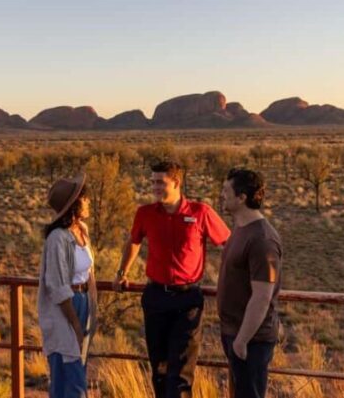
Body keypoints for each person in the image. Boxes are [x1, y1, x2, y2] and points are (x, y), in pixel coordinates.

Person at [114, 161, 230, 398]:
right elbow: (134, 241)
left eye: (160, 182)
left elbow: (229, 245)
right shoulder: (145, 213)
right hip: (155, 297)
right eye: (153, 182)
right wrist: (121, 273)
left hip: (187, 300)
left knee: (181, 373)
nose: (155, 187)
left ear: (176, 182)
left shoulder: (200, 212)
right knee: (159, 370)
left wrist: (232, 280)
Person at [218, 168, 282, 398]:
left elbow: (262, 296)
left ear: (242, 197)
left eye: (226, 191)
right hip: (236, 334)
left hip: (251, 340)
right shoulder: (241, 229)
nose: (222, 195)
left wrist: (241, 341)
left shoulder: (262, 239)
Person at [38, 174, 98, 398]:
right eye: (84, 197)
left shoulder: (82, 230)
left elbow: (87, 272)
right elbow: (57, 286)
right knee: (70, 375)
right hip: (65, 309)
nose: (88, 201)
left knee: (77, 367)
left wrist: (92, 307)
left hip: (83, 302)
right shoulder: (58, 238)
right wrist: (75, 324)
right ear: (73, 205)